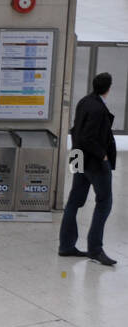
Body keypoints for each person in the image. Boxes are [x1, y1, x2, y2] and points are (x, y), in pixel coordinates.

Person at [58, 72, 117, 265]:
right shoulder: (98, 109)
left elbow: (77, 130)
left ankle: (66, 246)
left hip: (78, 157)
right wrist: (103, 155)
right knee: (104, 202)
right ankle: (95, 249)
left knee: (74, 201)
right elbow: (88, 137)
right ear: (108, 88)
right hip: (93, 162)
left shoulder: (84, 101)